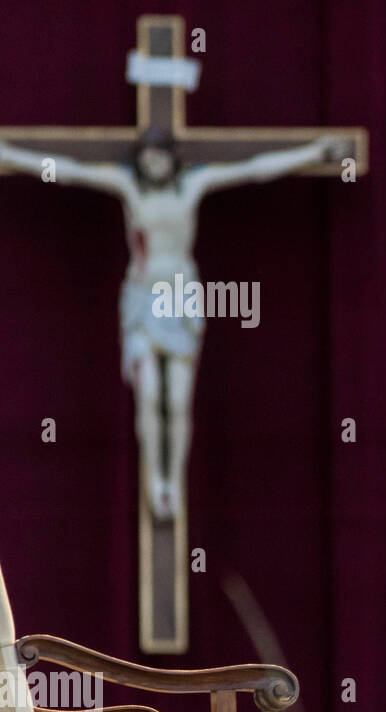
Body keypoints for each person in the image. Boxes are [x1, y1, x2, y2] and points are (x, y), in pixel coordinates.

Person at [0, 128, 349, 519]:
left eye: (160, 155)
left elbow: (256, 169)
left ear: (172, 157)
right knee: (149, 395)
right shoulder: (128, 187)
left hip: (181, 299)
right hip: (143, 300)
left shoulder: (193, 185)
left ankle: (173, 482)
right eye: (147, 155)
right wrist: (9, 153)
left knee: (179, 400)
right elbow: (66, 170)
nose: (153, 162)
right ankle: (155, 482)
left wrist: (312, 151)